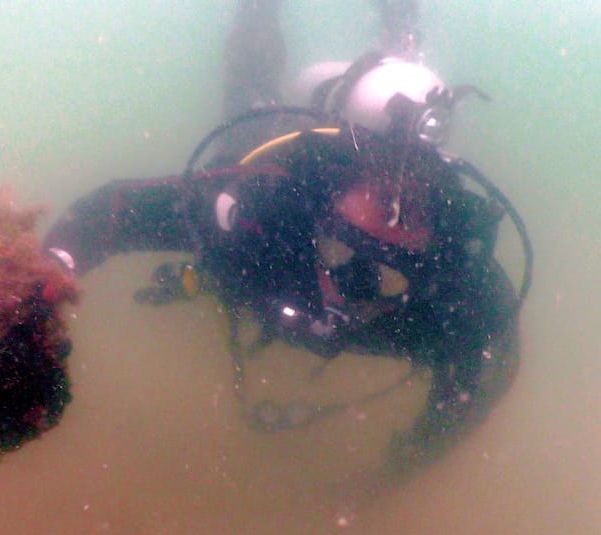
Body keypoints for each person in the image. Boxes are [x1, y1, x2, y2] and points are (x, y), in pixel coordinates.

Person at [43, 0, 531, 479]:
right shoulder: (257, 212)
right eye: (383, 189)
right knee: (252, 95)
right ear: (329, 178)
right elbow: (113, 213)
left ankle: (399, 38)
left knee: (401, 75)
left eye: (421, 193)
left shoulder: (461, 290)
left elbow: (481, 383)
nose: (399, 213)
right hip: (273, 164)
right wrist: (43, 288)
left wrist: (394, 474)